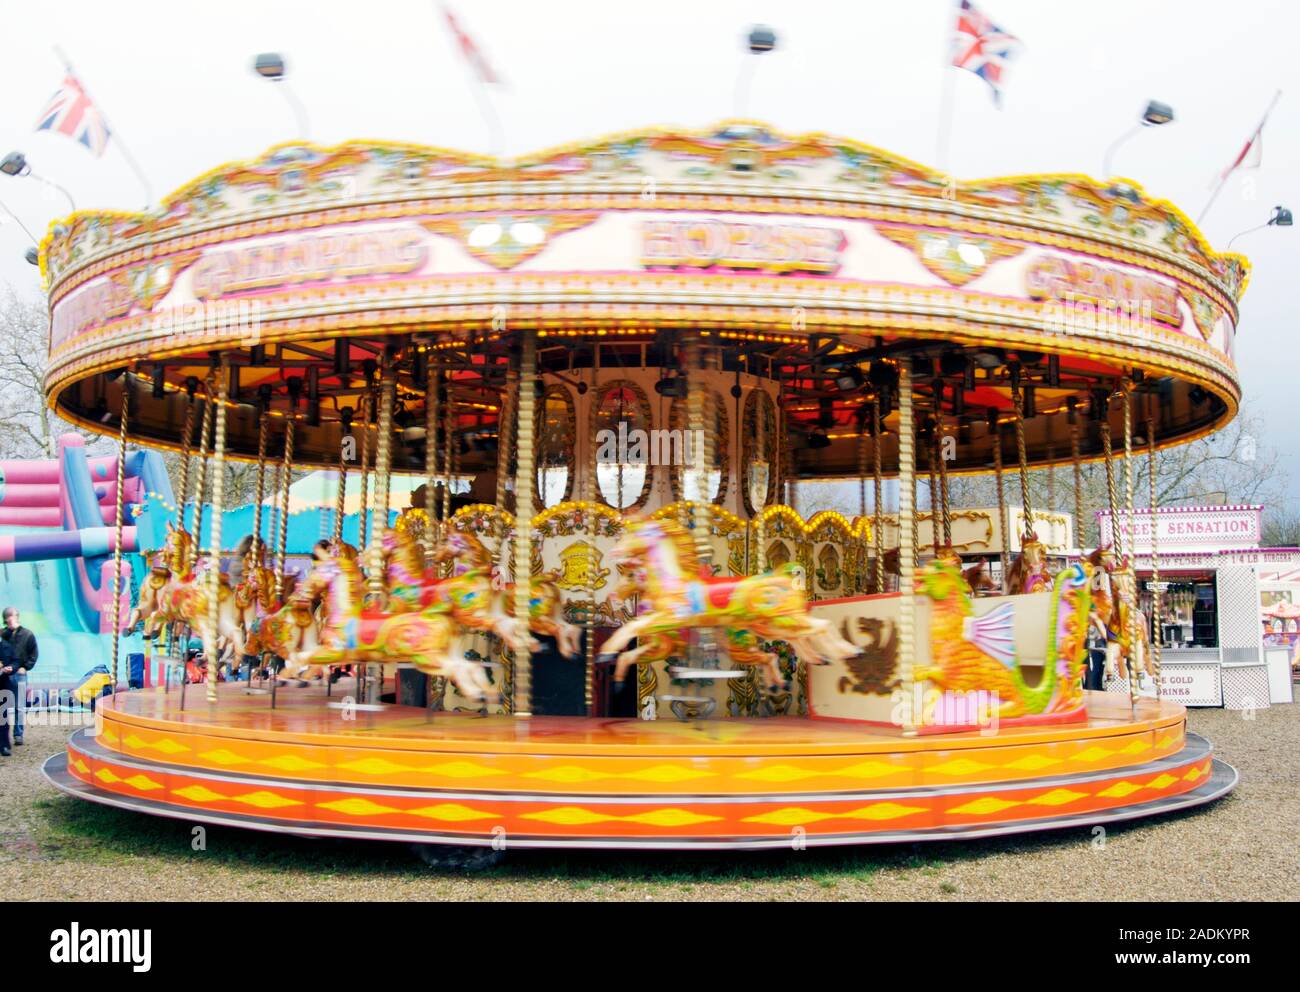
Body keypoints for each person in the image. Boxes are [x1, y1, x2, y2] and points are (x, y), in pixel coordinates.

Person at [1, 608, 36, 746]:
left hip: (19, 674)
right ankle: (3, 738)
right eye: (7, 616)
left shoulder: (28, 634)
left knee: (19, 706)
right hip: (4, 674)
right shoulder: (3, 634)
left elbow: (33, 654)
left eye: (12, 615)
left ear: (17, 617)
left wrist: (25, 667)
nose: (10, 618)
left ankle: (18, 734)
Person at [0, 632, 15, 756]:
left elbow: (15, 661)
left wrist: (12, 668)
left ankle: (4, 745)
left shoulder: (7, 646)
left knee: (3, 717)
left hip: (3, 685)